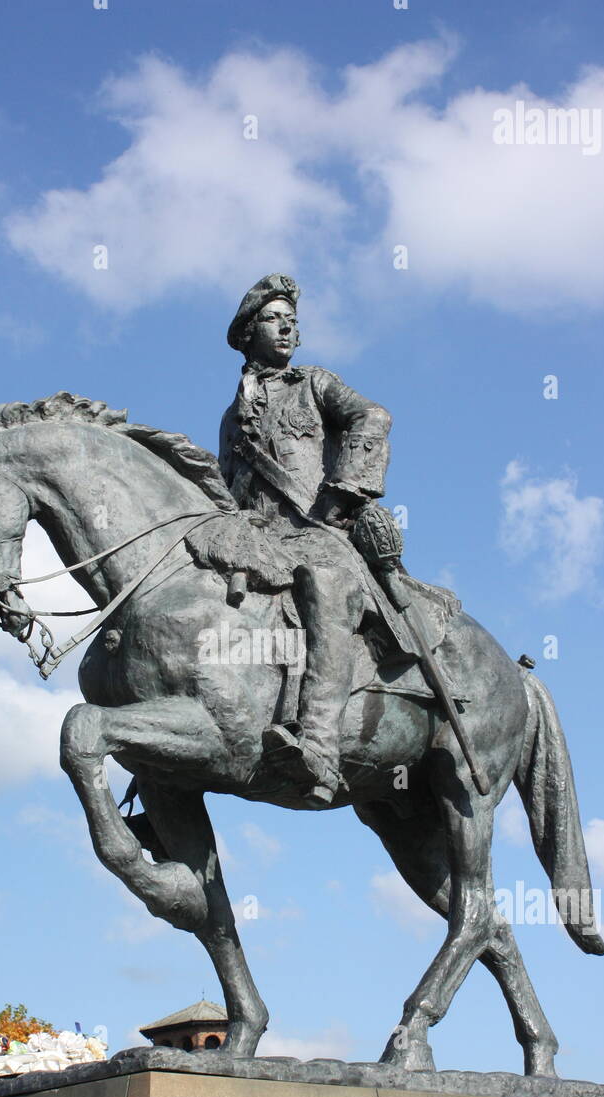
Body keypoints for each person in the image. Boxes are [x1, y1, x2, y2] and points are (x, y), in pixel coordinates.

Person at [219, 273, 392, 805]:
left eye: (291, 318)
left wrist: (342, 492)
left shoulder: (314, 383)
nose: (288, 324)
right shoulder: (231, 416)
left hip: (314, 531)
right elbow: (228, 487)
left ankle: (318, 743)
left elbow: (373, 416)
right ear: (248, 332)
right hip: (254, 537)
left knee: (323, 583)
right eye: (273, 317)